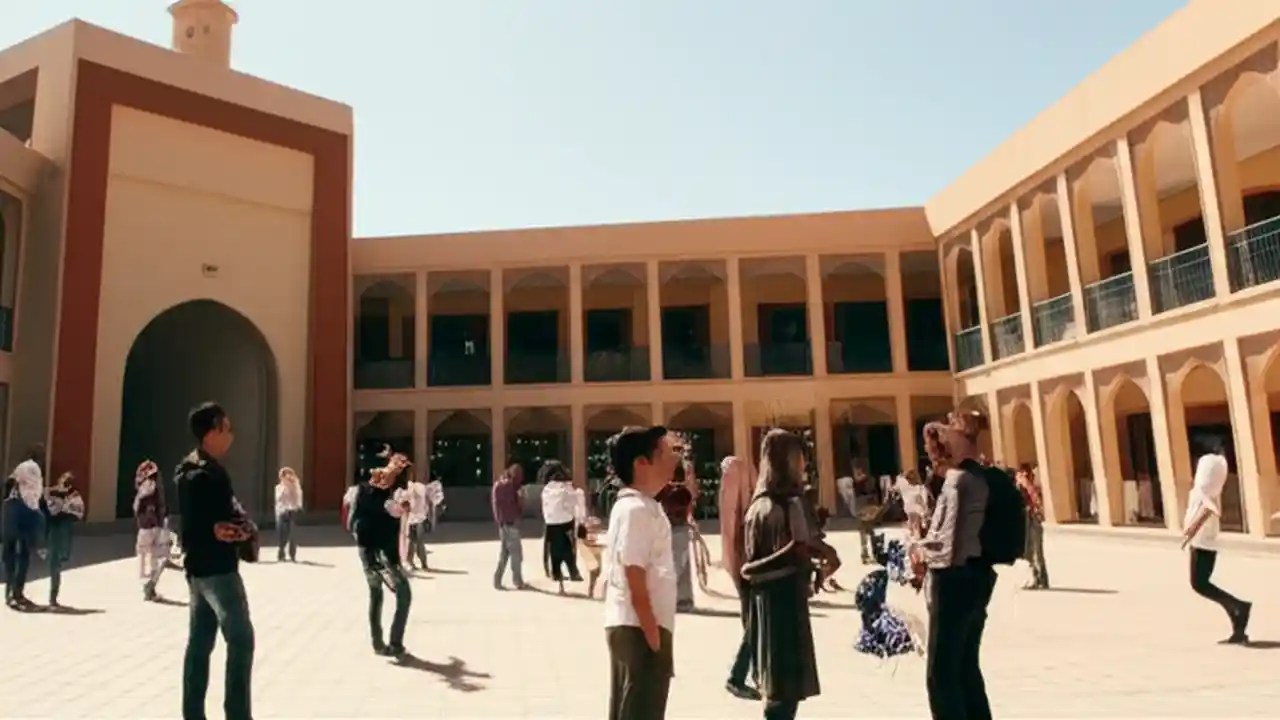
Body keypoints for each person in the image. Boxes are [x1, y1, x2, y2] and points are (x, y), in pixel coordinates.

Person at [178, 402, 257, 720]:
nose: (231, 435)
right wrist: (244, 531)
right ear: (211, 432)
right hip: (219, 571)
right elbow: (219, 527)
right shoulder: (211, 474)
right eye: (227, 428)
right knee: (241, 640)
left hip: (197, 570)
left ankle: (192, 713)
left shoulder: (186, 470)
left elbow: (193, 524)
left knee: (200, 644)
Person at [739, 429, 821, 720]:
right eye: (797, 459)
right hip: (778, 609)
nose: (802, 467)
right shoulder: (771, 508)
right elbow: (750, 569)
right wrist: (794, 554)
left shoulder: (769, 506)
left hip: (778, 605)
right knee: (781, 698)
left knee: (782, 696)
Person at [918, 412, 995, 720]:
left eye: (951, 433)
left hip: (954, 581)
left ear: (963, 437)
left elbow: (947, 545)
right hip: (977, 578)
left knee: (941, 676)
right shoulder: (979, 476)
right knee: (965, 670)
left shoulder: (959, 481)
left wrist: (917, 550)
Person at [603, 425, 679, 720]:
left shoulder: (644, 506)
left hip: (639, 627)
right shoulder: (635, 510)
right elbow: (633, 573)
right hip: (638, 628)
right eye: (664, 452)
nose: (673, 458)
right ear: (641, 462)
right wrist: (652, 634)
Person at [1181, 436, 1251, 644]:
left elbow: (1210, 509)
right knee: (1201, 584)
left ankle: (1239, 606)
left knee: (1199, 584)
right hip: (1203, 542)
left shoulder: (1205, 492)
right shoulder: (1204, 491)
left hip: (1202, 543)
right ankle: (1238, 621)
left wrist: (1191, 531)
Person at [352, 453, 414, 656]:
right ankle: (392, 643)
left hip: (373, 553)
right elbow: (360, 520)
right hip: (378, 555)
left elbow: (354, 522)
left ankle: (381, 643)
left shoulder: (389, 495)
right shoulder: (370, 493)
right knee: (401, 593)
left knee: (377, 595)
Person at [719, 455, 761, 701]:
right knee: (754, 624)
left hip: (745, 567)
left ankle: (755, 673)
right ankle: (738, 676)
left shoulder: (745, 501)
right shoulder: (745, 506)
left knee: (752, 623)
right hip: (748, 568)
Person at [3, 446, 47, 610]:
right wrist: (36, 513)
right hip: (22, 511)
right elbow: (31, 494)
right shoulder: (32, 468)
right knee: (23, 554)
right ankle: (17, 593)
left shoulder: (20, 468)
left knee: (10, 553)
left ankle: (10, 593)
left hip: (10, 511)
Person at [656, 458, 696, 612]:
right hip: (679, 529)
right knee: (682, 565)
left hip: (674, 529)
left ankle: (676, 598)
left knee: (676, 565)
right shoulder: (680, 491)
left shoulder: (667, 490)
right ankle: (684, 599)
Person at [540, 460, 584, 594]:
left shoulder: (546, 490)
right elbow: (575, 505)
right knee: (568, 550)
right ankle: (573, 572)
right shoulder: (567, 489)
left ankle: (556, 574)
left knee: (553, 552)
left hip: (551, 523)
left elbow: (545, 508)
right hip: (566, 523)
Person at [44, 472, 85, 607]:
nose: (65, 484)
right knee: (55, 565)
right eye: (64, 481)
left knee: (62, 557)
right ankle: (53, 598)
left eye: (68, 482)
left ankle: (53, 597)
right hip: (55, 529)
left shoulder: (74, 495)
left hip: (64, 527)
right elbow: (47, 509)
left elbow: (79, 512)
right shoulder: (52, 492)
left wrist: (68, 509)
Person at [135, 460, 171, 601]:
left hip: (143, 528)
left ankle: (148, 587)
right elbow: (151, 507)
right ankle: (150, 587)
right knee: (159, 557)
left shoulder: (142, 486)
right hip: (153, 527)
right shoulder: (152, 486)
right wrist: (158, 523)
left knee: (144, 558)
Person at [491, 461, 527, 590]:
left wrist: (499, 521)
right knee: (516, 555)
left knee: (504, 554)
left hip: (502, 524)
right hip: (511, 523)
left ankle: (497, 580)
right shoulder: (513, 487)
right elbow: (519, 505)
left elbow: (496, 506)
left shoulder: (497, 485)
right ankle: (517, 581)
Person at [1015, 464, 1049, 590]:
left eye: (1020, 473)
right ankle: (1036, 578)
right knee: (1029, 551)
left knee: (1036, 551)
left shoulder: (1028, 486)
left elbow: (1035, 501)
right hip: (1027, 521)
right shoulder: (1024, 486)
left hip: (1032, 520)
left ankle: (1042, 579)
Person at [274, 467, 304, 563]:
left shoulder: (295, 487)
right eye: (284, 475)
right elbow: (278, 499)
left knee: (292, 534)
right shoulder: (278, 488)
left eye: (289, 474)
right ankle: (281, 553)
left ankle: (292, 554)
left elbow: (298, 499)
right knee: (282, 534)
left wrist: (293, 486)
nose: (286, 477)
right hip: (282, 512)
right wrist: (285, 487)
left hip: (292, 511)